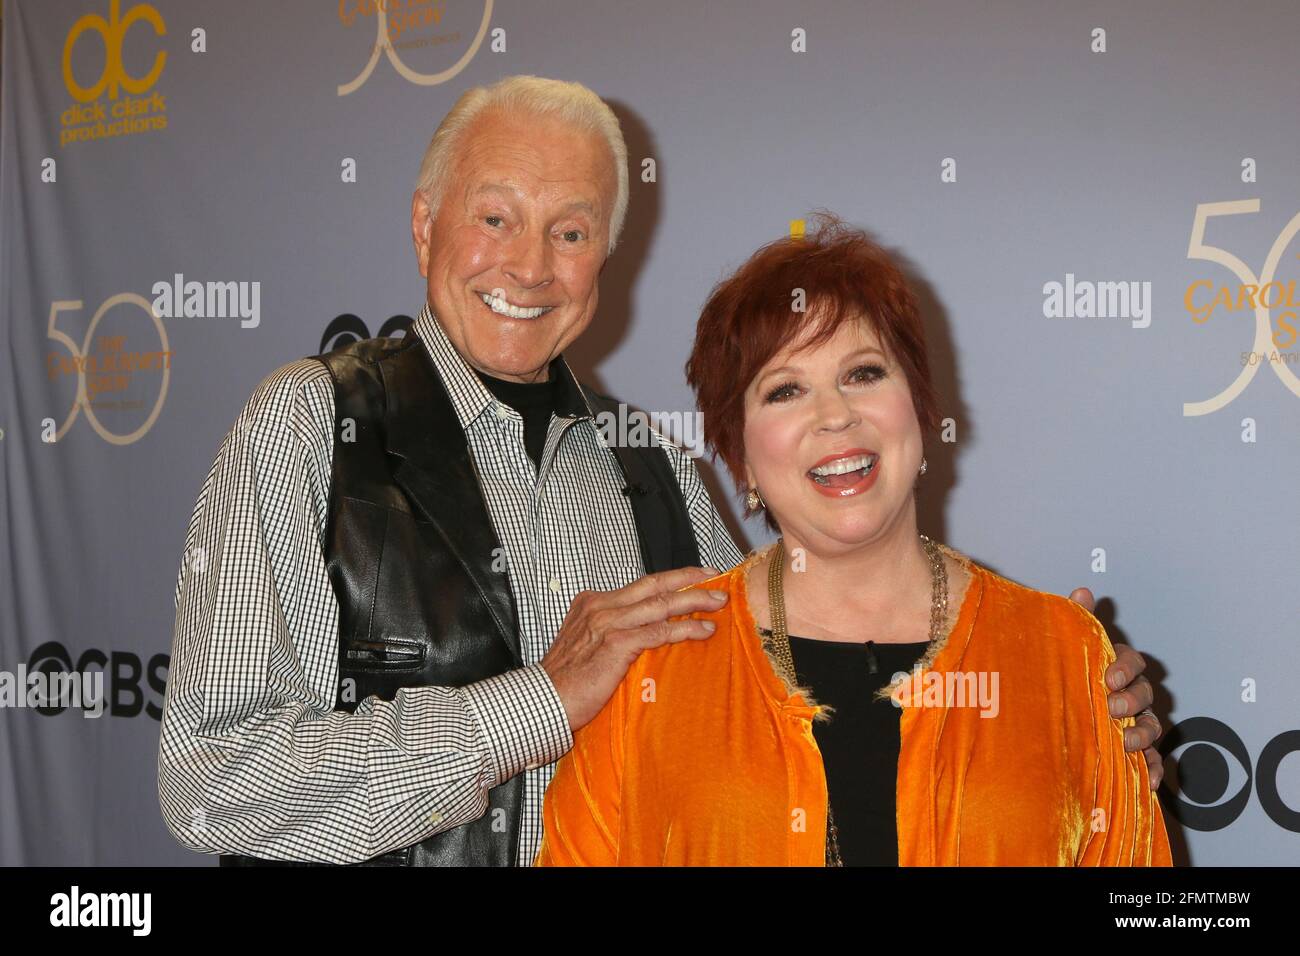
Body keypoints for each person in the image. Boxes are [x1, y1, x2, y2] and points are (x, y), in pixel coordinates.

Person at [158, 76, 1162, 867]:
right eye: (495, 216)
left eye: (572, 229)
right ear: (425, 224)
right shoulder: (308, 425)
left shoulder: (657, 474)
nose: (530, 265)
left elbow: (795, 670)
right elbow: (211, 780)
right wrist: (537, 704)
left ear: (606, 257)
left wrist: (1064, 702)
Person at [536, 215, 1172, 866]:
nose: (834, 414)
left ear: (921, 408)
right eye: (785, 390)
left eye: (864, 374)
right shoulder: (653, 661)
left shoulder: (1063, 651)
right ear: (741, 457)